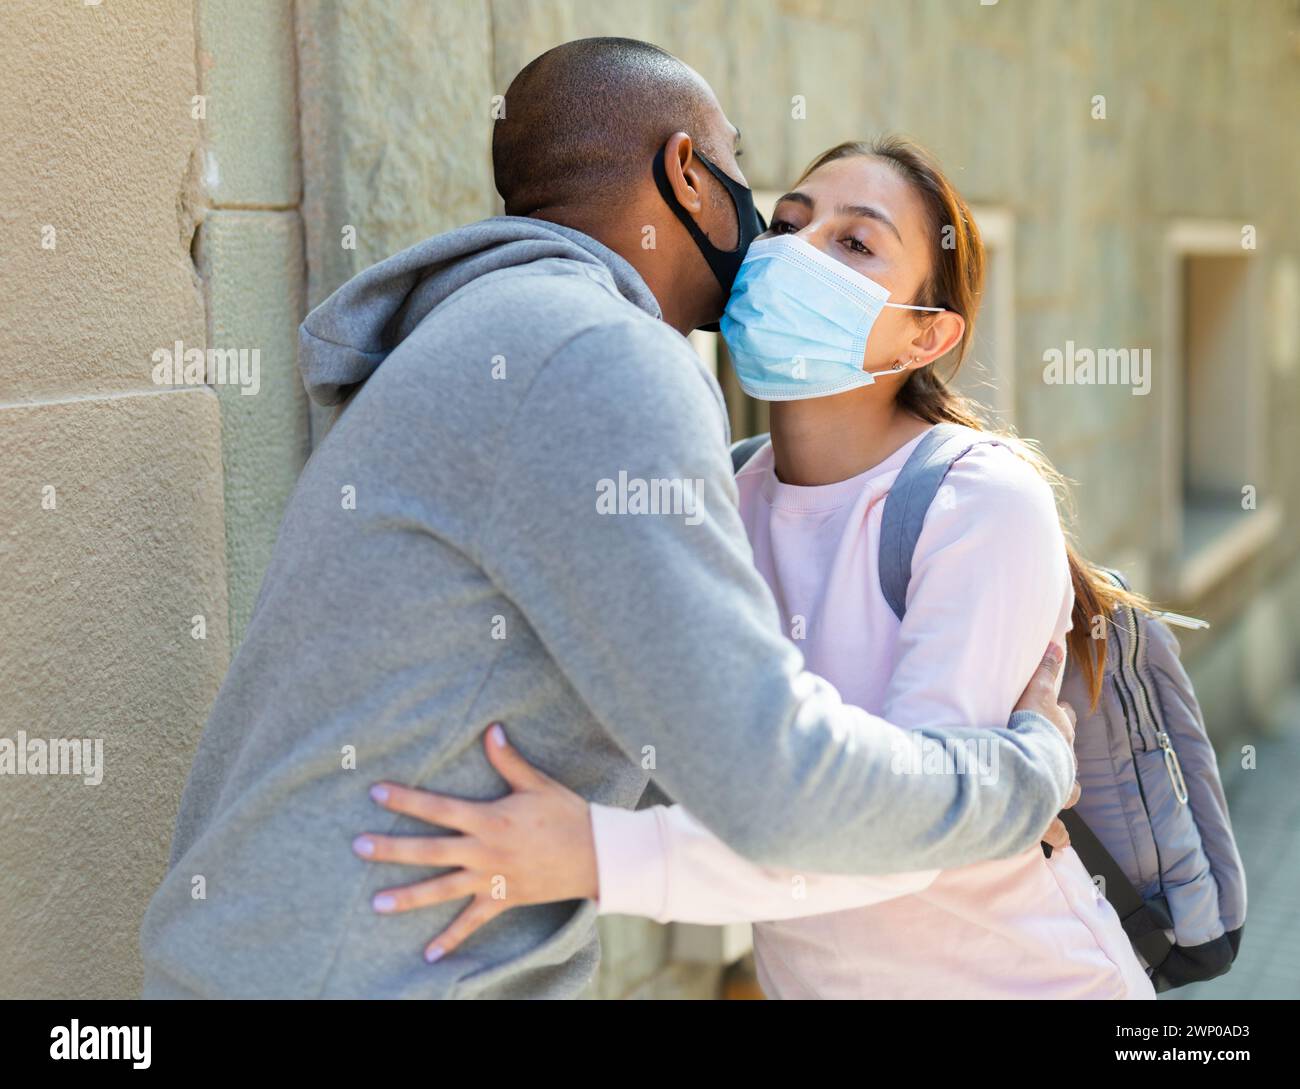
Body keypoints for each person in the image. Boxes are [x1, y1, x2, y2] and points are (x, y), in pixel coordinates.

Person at [139, 39, 1073, 1000]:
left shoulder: (496, 330)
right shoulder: (604, 360)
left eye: (850, 239)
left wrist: (610, 846)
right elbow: (769, 781)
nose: (776, 244)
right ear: (687, 174)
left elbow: (691, 740)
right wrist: (1028, 772)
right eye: (765, 197)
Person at [355, 137, 1154, 999]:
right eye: (786, 223)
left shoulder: (981, 500)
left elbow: (912, 833)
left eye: (854, 242)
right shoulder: (721, 498)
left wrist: (589, 854)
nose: (790, 253)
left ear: (925, 335)